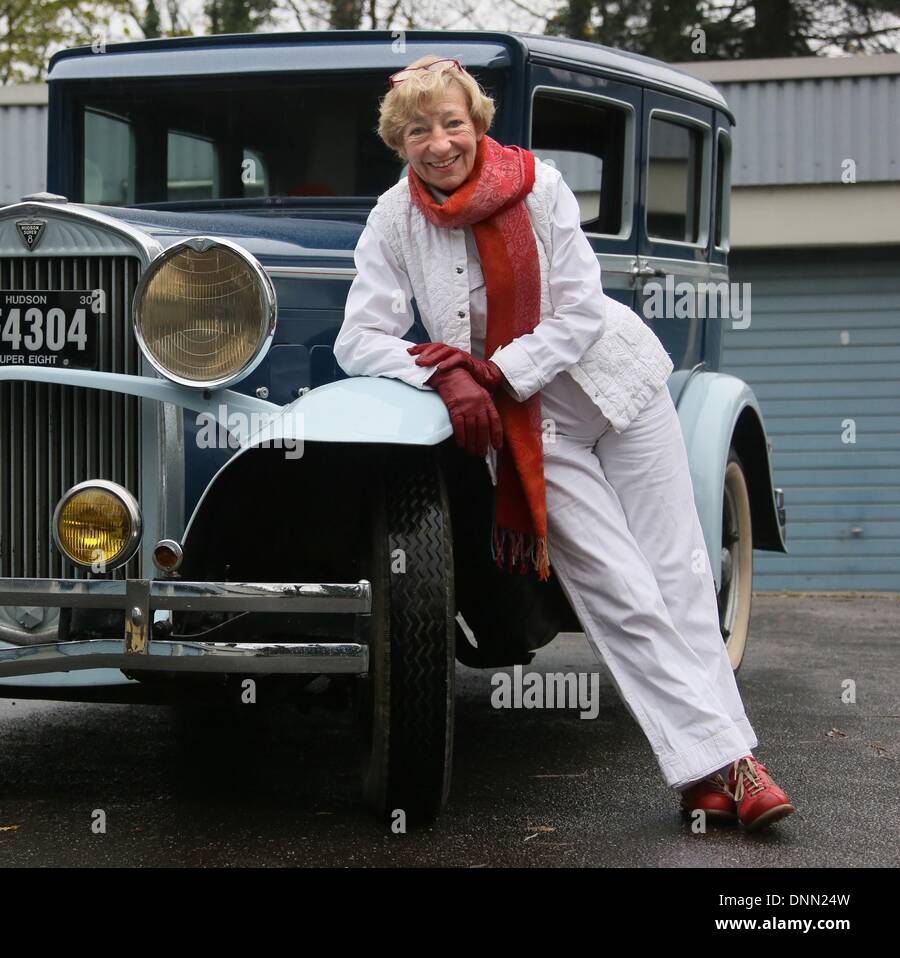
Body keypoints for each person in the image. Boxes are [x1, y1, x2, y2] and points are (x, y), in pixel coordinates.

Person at [333, 54, 795, 830]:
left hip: (620, 386)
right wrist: (442, 377)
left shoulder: (537, 186)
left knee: (679, 580)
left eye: (451, 122)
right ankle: (731, 765)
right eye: (418, 130)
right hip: (530, 428)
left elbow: (580, 313)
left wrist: (489, 369)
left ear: (476, 122)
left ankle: (712, 773)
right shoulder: (393, 219)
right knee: (619, 591)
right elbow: (359, 338)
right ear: (399, 141)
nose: (439, 142)